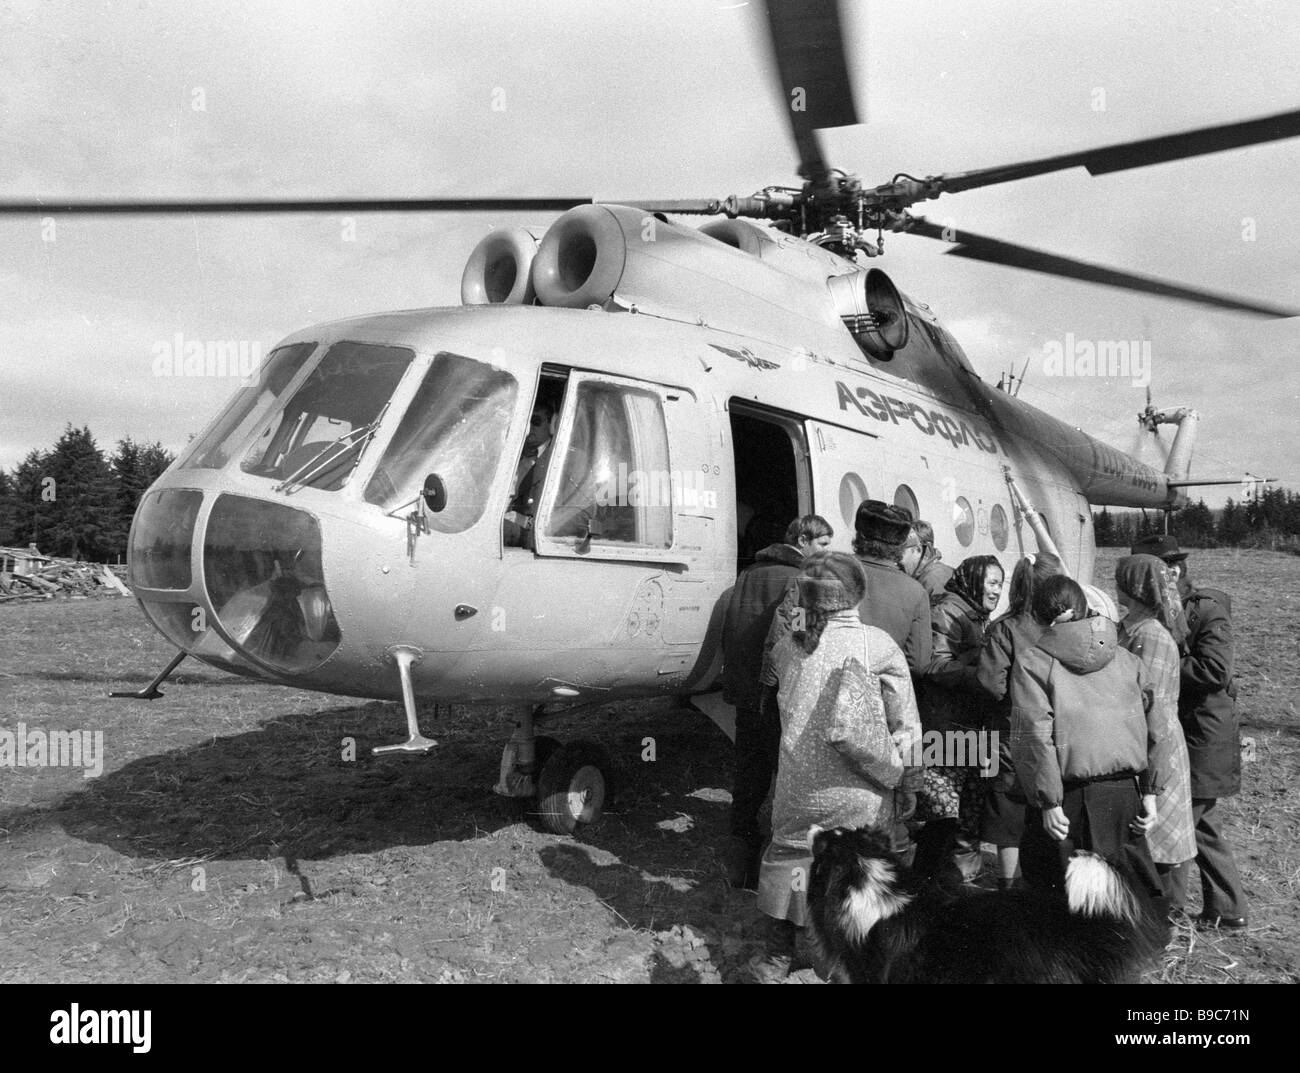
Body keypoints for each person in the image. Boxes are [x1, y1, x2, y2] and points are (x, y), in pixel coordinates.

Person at [751, 551, 921, 982]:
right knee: (856, 889)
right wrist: (911, 785)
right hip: (861, 799)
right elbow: (908, 731)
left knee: (794, 860)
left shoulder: (789, 646)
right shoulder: (878, 646)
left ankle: (790, 956)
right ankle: (837, 967)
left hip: (797, 791)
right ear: (857, 593)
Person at [1010, 575, 1167, 910]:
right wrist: (1150, 792)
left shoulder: (1032, 662)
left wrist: (1048, 802)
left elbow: (1034, 736)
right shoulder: (1127, 659)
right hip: (1125, 795)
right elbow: (1156, 727)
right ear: (1084, 609)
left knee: (1063, 900)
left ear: (1038, 617)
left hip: (1067, 800)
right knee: (1121, 894)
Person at [1131, 533, 1248, 929]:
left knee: (1178, 822)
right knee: (1202, 824)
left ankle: (1169, 912)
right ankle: (1229, 908)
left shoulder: (1207, 611)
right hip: (1188, 730)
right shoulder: (1169, 609)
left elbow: (1216, 671)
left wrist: (1160, 662)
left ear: (1174, 569)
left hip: (1204, 734)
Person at [720, 513, 834, 888]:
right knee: (781, 777)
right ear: (801, 539)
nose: (826, 552)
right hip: (778, 694)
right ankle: (776, 867)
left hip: (745, 691)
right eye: (821, 543)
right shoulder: (798, 582)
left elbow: (732, 630)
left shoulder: (749, 575)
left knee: (748, 771)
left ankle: (738, 861)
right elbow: (798, 643)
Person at [975, 551, 1064, 890]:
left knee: (1007, 810)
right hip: (1055, 731)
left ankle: (1009, 885)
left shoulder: (1004, 629)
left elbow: (989, 683)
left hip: (1009, 732)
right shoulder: (1064, 628)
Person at [913, 554, 1004, 886]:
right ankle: (938, 878)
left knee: (970, 805)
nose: (996, 591)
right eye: (991, 583)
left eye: (1000, 584)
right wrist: (981, 673)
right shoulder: (948, 611)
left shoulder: (976, 615)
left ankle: (960, 875)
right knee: (945, 810)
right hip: (948, 726)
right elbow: (933, 665)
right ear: (973, 580)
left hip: (968, 726)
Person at [1116, 554, 1197, 905]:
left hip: (1156, 748)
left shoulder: (1152, 637)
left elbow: (1156, 711)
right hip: (1135, 744)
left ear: (1133, 586)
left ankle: (1167, 917)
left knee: (1159, 839)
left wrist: (1154, 781)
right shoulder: (1129, 627)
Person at [851, 500, 933, 676]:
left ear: (859, 534)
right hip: (879, 695)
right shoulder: (916, 593)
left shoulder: (822, 571)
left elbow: (795, 618)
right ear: (900, 545)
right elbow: (919, 663)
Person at [503, 398, 557, 547]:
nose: (529, 426)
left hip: (525, 537)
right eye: (527, 421)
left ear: (552, 425)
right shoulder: (511, 454)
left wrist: (523, 521)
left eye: (536, 421)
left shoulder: (557, 461)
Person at [902, 519, 954, 602]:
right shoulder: (934, 572)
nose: (896, 559)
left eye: (901, 551)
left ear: (918, 550)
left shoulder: (931, 580)